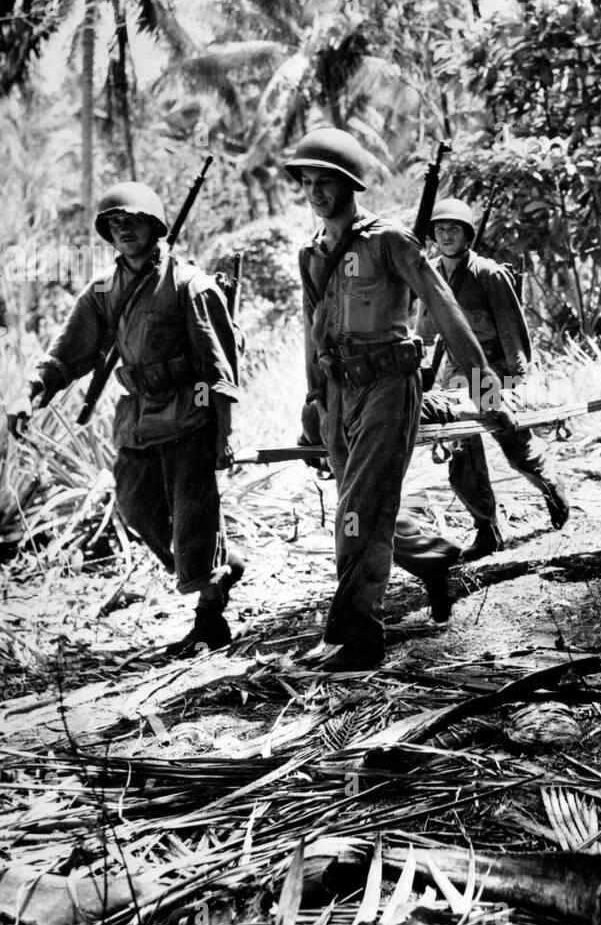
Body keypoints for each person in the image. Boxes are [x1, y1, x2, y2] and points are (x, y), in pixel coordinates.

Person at [288, 129, 517, 671]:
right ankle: (434, 559)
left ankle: (355, 637)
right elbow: (312, 330)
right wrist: (313, 402)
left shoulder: (389, 240)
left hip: (391, 386)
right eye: (309, 184)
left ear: (350, 185)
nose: (317, 193)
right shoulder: (312, 254)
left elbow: (443, 308)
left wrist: (485, 388)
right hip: (341, 391)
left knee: (359, 509)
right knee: (361, 505)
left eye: (327, 183)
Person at [8, 182, 243, 654]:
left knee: (194, 517)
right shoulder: (103, 289)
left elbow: (217, 367)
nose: (124, 229)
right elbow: (68, 350)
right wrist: (31, 392)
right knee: (136, 506)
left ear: (156, 226)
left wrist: (219, 431)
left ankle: (209, 617)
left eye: (133, 221)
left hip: (189, 409)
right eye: (114, 223)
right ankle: (221, 565)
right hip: (137, 414)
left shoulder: (188, 284)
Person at [419, 198, 570, 560]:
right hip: (456, 376)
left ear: (468, 235)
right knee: (461, 452)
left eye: (454, 229)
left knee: (518, 450)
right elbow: (423, 331)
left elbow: (512, 331)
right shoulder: (429, 274)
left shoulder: (489, 274)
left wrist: (518, 381)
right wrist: (422, 371)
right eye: (440, 229)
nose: (446, 235)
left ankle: (550, 484)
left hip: (493, 373)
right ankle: (486, 529)